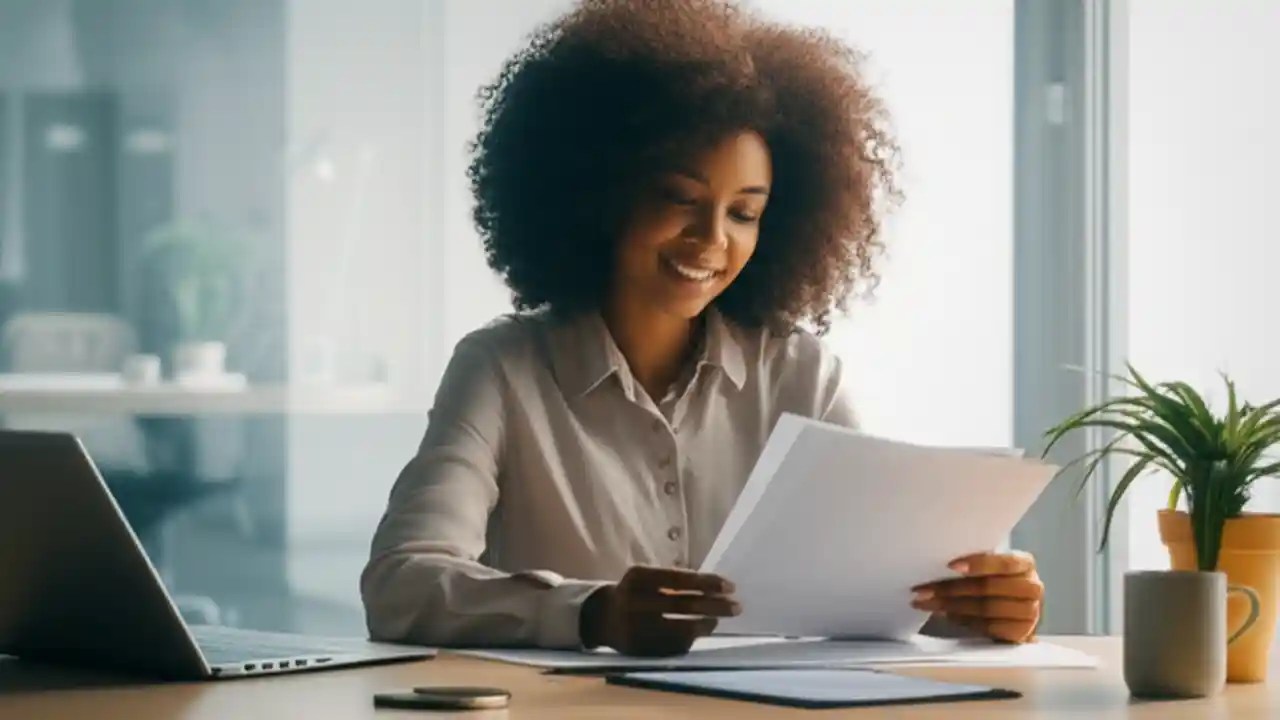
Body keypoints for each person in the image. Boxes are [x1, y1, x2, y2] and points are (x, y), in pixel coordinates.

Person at [362, 0, 1043, 656]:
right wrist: (592, 612)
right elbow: (402, 583)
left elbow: (877, 597)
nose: (711, 240)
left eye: (744, 213)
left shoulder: (799, 375)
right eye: (680, 199)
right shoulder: (502, 370)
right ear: (600, 191)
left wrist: (985, 608)